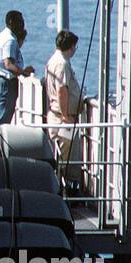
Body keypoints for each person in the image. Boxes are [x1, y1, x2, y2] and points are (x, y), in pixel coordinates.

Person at [46, 30, 83, 183]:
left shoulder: (53, 60)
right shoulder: (61, 64)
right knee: (68, 160)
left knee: (62, 158)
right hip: (63, 120)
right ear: (72, 46)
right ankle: (69, 194)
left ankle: (65, 190)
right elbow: (62, 91)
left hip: (57, 116)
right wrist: (66, 116)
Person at [0, 10, 34, 125]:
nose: (23, 24)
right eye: (20, 21)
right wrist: (23, 72)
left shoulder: (1, 37)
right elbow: (8, 64)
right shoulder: (10, 40)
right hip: (6, 82)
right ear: (11, 22)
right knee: (1, 122)